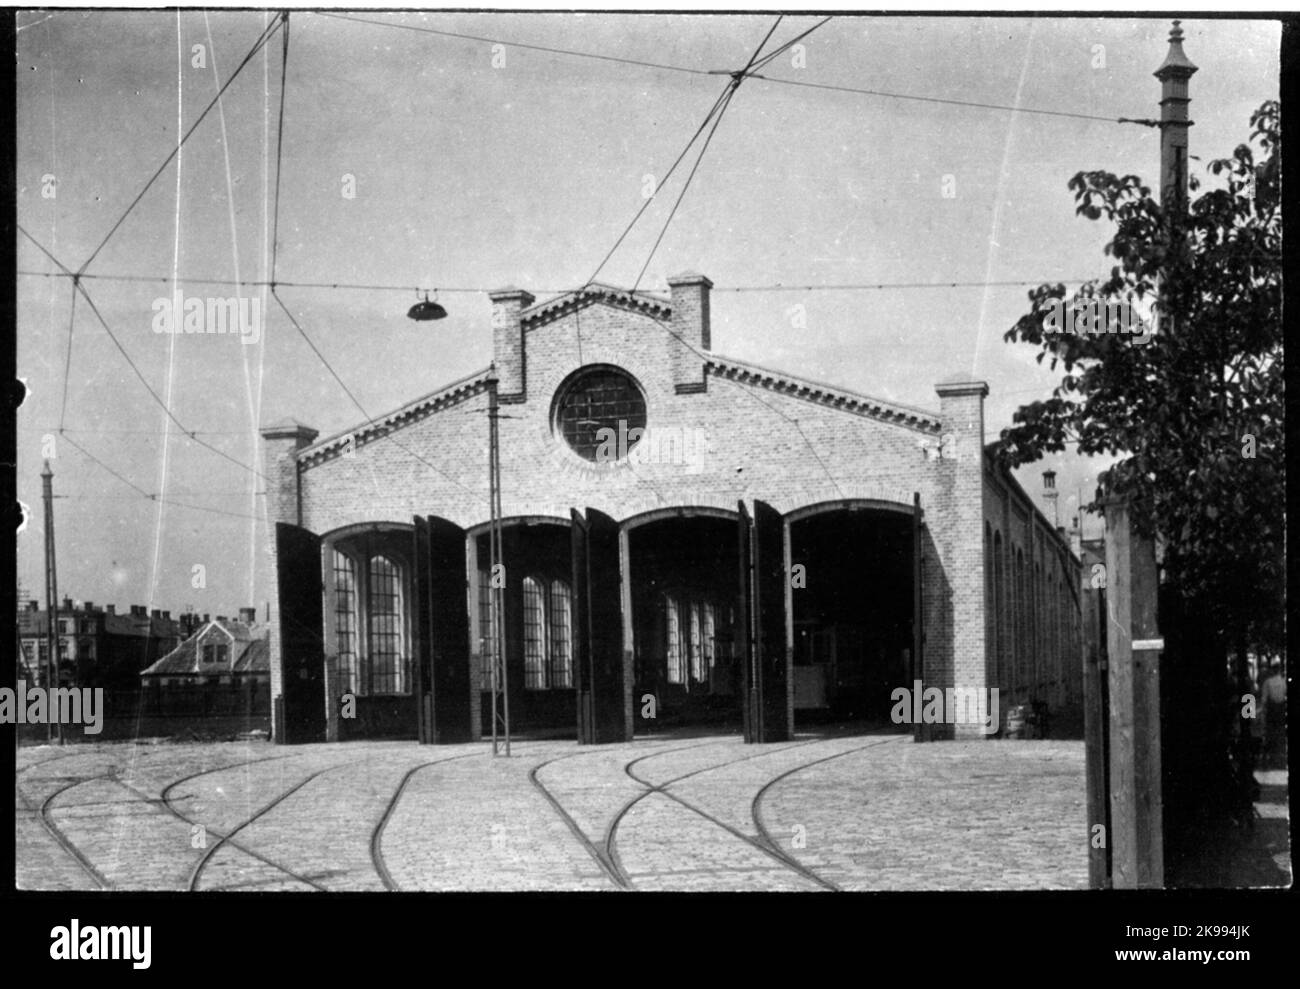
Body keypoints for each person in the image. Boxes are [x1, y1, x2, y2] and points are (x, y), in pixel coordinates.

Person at [1259, 662, 1287, 769]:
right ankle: (1279, 760)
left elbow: (1264, 699)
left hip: (1272, 711)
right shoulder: (1283, 682)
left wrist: (1262, 712)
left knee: (1270, 735)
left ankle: (1271, 760)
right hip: (1280, 710)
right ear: (1279, 670)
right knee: (1280, 735)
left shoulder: (1268, 682)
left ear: (1272, 670)